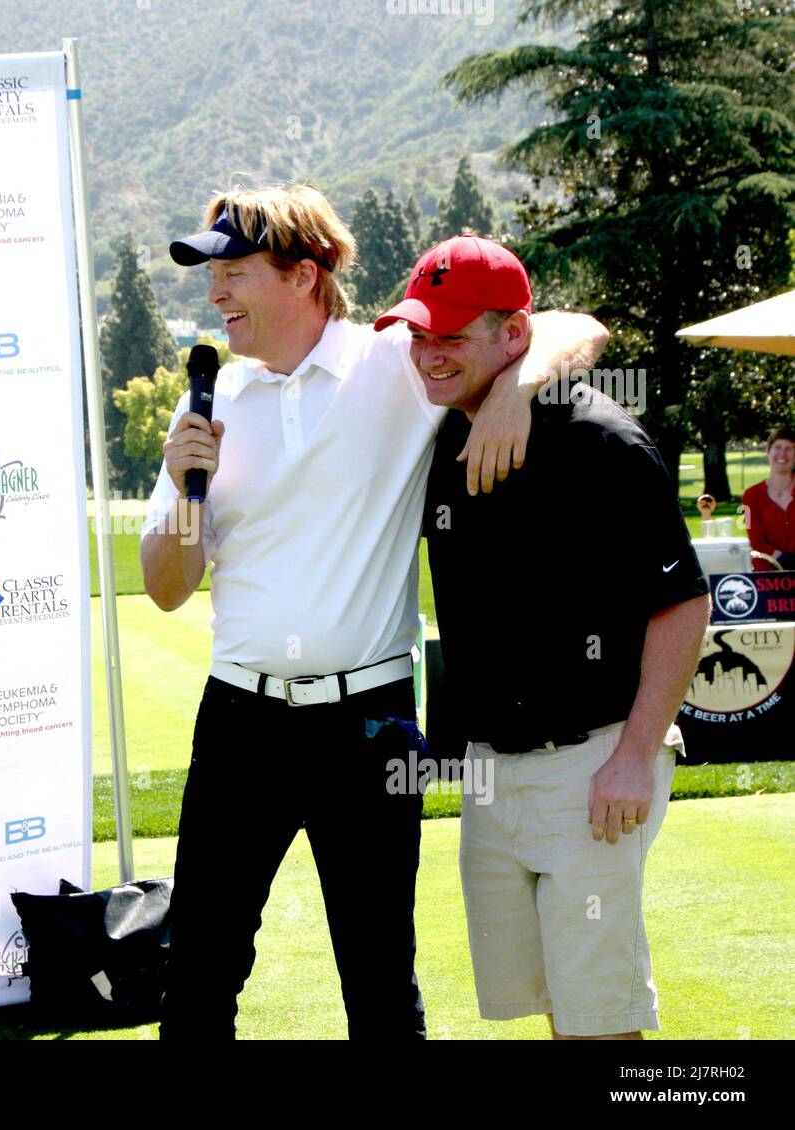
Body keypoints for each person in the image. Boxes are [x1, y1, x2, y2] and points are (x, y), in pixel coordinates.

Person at [144, 185, 609, 1039]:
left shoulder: (396, 362)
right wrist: (182, 490)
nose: (214, 295)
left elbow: (574, 327)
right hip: (239, 721)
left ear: (306, 276)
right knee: (200, 973)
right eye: (212, 274)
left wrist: (514, 389)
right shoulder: (205, 406)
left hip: (368, 725)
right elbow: (165, 584)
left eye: (235, 272)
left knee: (379, 980)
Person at [378, 234, 712, 1039]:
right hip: (494, 770)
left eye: (453, 336)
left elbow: (683, 605)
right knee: (555, 1007)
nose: (430, 354)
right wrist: (506, 389)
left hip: (594, 759)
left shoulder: (602, 441)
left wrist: (634, 756)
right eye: (420, 335)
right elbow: (569, 327)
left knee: (599, 1018)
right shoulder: (446, 428)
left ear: (513, 336)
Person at [741, 426, 795, 570]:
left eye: (789, 448)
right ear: (768, 451)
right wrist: (783, 559)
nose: (782, 454)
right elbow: (756, 541)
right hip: (767, 579)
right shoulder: (750, 496)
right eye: (777, 447)